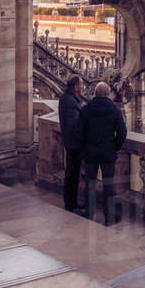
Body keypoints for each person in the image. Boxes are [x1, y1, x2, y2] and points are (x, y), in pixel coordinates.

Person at [74, 81, 127, 225]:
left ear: (95, 93)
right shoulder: (115, 110)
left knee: (90, 183)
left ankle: (89, 213)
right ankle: (109, 218)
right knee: (108, 185)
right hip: (107, 153)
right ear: (108, 94)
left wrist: (85, 147)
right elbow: (122, 133)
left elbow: (79, 132)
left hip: (90, 153)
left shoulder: (86, 109)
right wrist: (114, 147)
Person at [58, 75, 86, 213]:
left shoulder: (68, 99)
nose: (82, 88)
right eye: (81, 85)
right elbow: (73, 126)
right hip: (74, 144)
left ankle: (71, 201)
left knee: (72, 173)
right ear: (75, 87)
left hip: (71, 143)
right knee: (72, 174)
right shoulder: (69, 101)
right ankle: (70, 203)